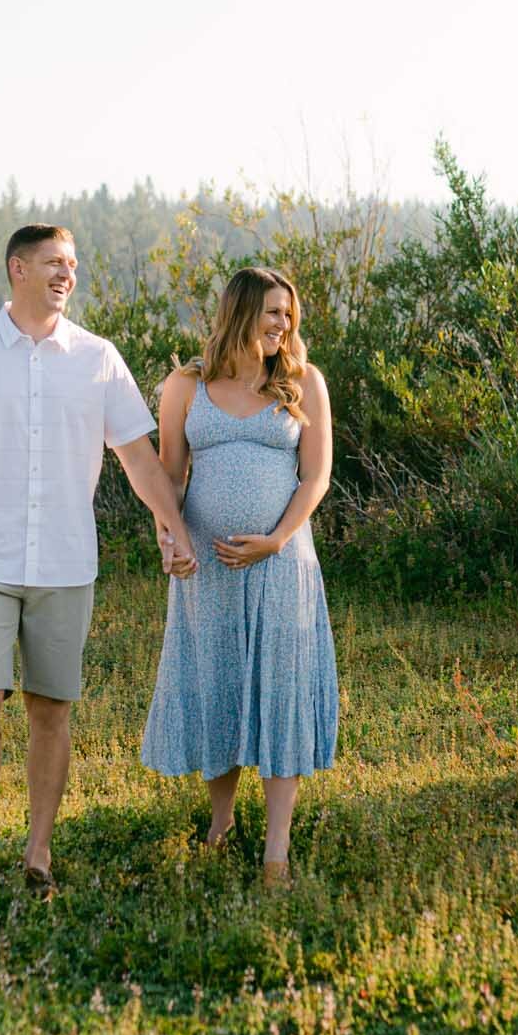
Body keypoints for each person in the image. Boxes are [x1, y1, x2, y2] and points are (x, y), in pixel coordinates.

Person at [0, 223, 198, 894]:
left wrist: (173, 526)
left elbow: (137, 459)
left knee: (51, 708)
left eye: (71, 264)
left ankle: (37, 852)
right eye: (51, 263)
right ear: (17, 268)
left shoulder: (98, 358)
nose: (65, 274)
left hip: (66, 562)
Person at [140, 266, 338, 888]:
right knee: (217, 685)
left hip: (282, 563)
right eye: (272, 312)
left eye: (289, 314)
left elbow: (316, 478)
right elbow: (168, 479)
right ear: (240, 313)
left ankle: (276, 850)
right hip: (209, 567)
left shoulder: (304, 383)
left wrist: (276, 540)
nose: (285, 325)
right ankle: (220, 825)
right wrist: (168, 539)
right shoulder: (186, 385)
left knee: (280, 691)